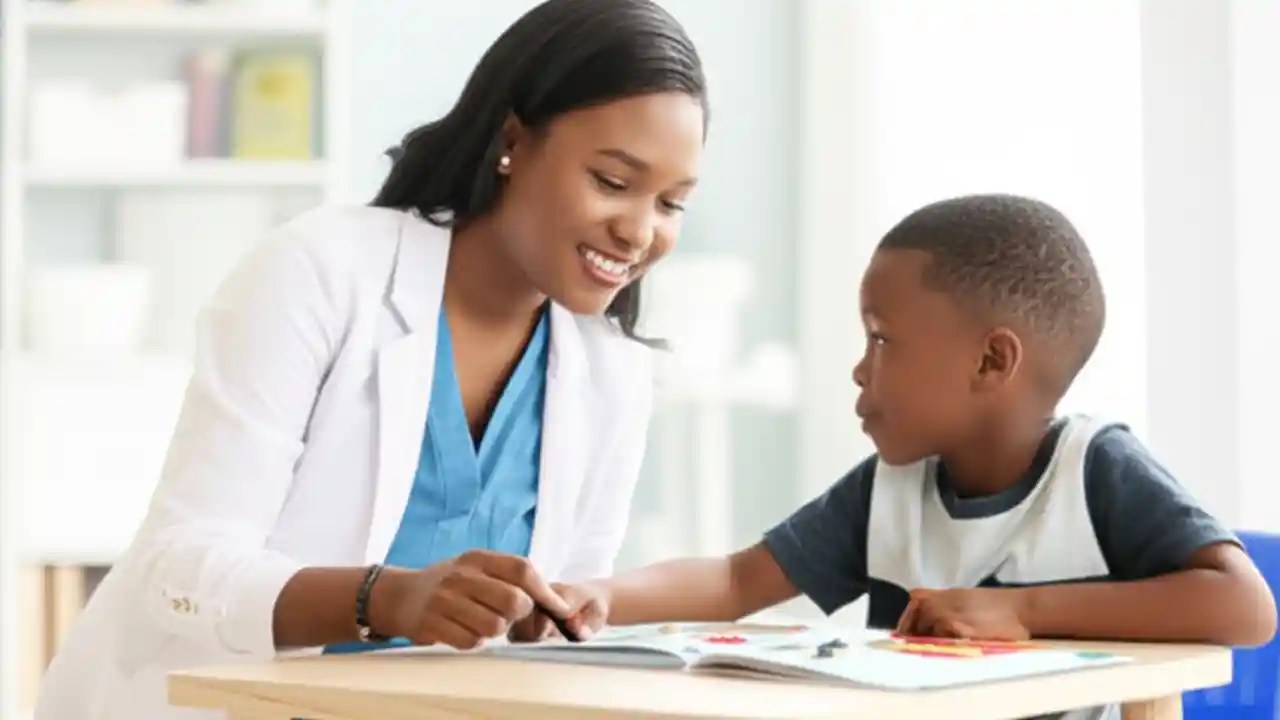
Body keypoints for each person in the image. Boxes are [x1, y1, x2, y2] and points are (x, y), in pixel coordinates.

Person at [35, 1, 706, 717]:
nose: (640, 231)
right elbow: (181, 566)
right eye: (611, 181)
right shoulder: (320, 272)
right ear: (511, 140)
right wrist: (387, 598)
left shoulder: (614, 375)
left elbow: (560, 637)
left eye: (671, 203)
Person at [540, 195, 1278, 720]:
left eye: (882, 339)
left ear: (992, 360)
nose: (861, 370)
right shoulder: (889, 491)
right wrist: (596, 595)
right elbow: (737, 579)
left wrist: (1020, 611)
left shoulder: (1095, 470)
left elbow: (1245, 607)